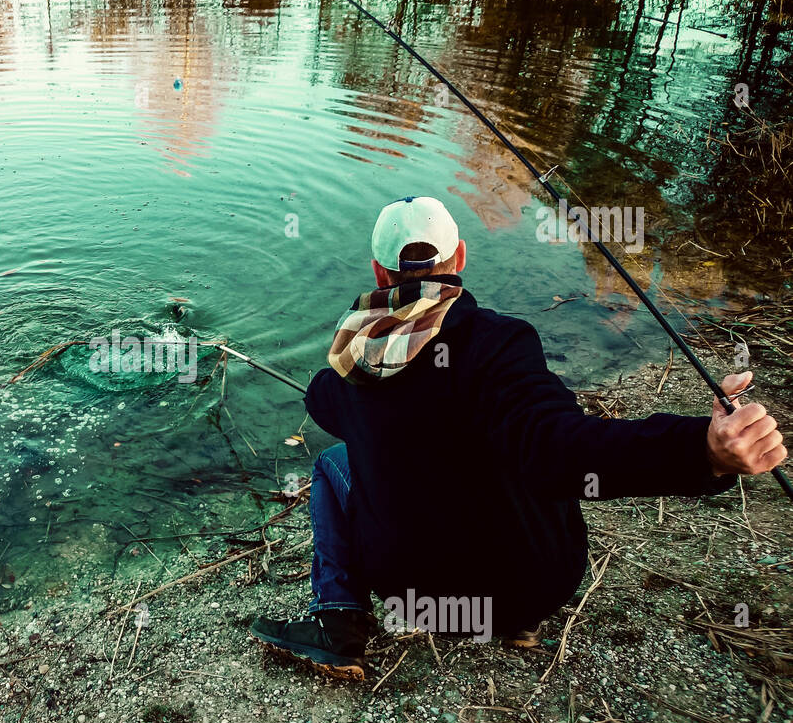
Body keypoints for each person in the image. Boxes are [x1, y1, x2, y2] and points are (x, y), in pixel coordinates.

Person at [249, 196, 787, 679]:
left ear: (377, 272)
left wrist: (337, 385)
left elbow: (324, 402)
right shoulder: (501, 345)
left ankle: (338, 622)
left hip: (414, 597)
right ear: (459, 258)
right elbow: (560, 446)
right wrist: (700, 450)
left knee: (333, 464)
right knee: (505, 455)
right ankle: (516, 625)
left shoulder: (354, 368)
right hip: (533, 587)